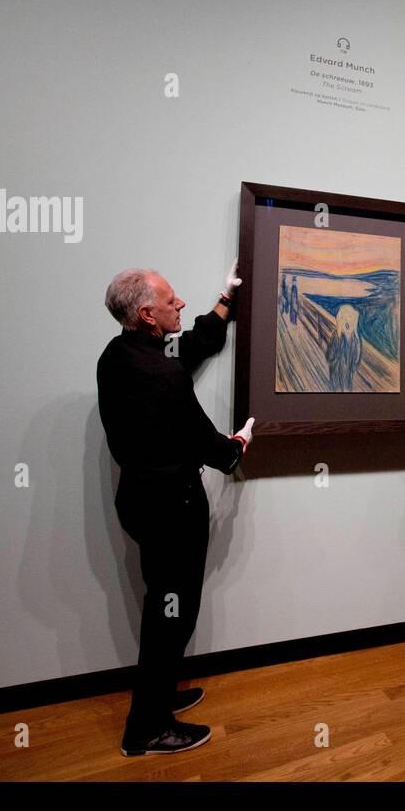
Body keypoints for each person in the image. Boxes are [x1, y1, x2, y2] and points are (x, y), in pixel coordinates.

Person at [97, 262, 255, 755]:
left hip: (141, 501)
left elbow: (188, 346)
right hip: (172, 508)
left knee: (164, 607)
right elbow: (217, 451)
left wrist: (224, 303)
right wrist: (239, 444)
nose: (180, 304)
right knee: (171, 615)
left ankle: (161, 695)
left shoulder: (119, 354)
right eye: (171, 301)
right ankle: (146, 729)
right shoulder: (162, 376)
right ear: (146, 313)